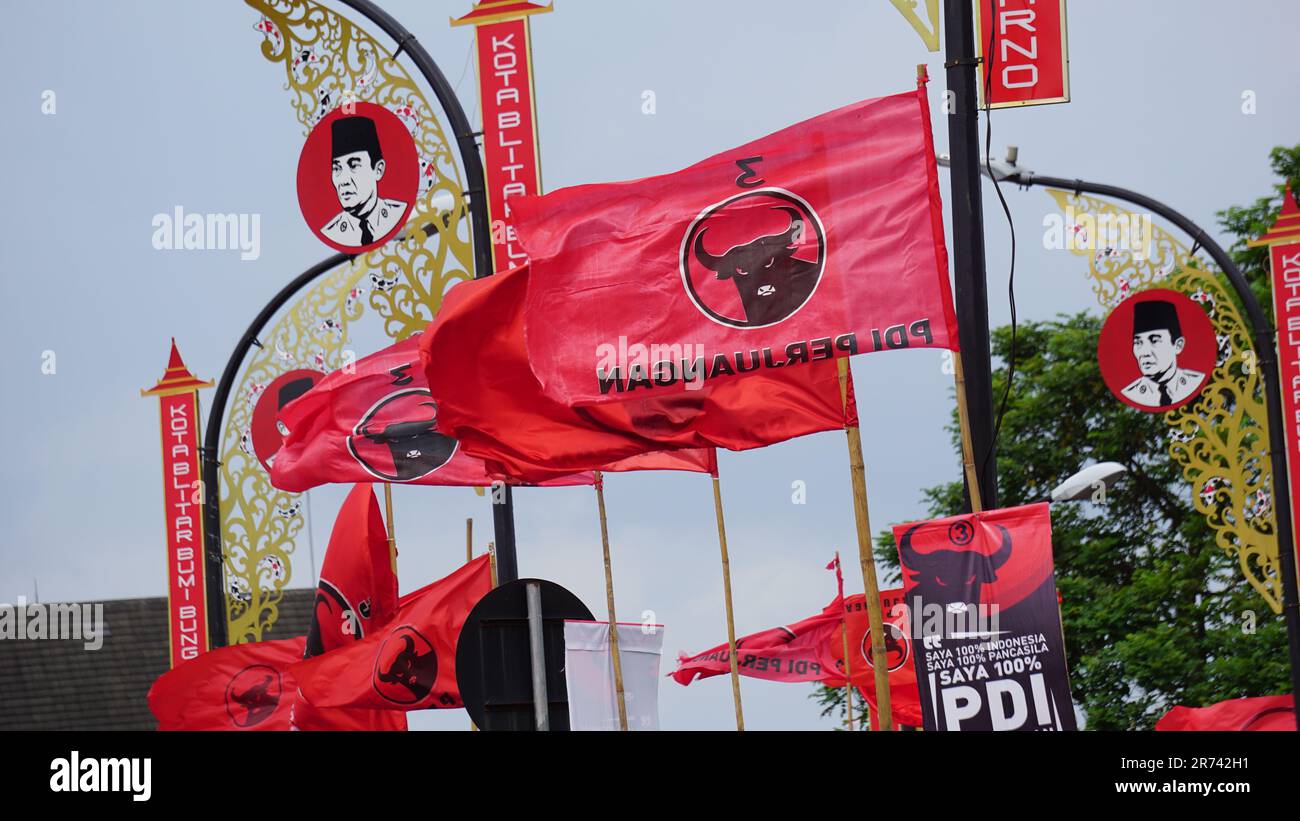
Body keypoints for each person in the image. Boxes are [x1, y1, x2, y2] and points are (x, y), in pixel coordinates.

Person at [320, 115, 407, 247]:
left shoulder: (400, 216)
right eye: (337, 168)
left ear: (378, 170)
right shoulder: (332, 233)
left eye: (353, 165)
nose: (343, 180)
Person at [1121, 300, 1206, 407]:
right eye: (1138, 342)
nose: (1144, 352)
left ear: (1178, 345)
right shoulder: (1131, 394)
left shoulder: (1196, 382)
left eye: (1155, 340)